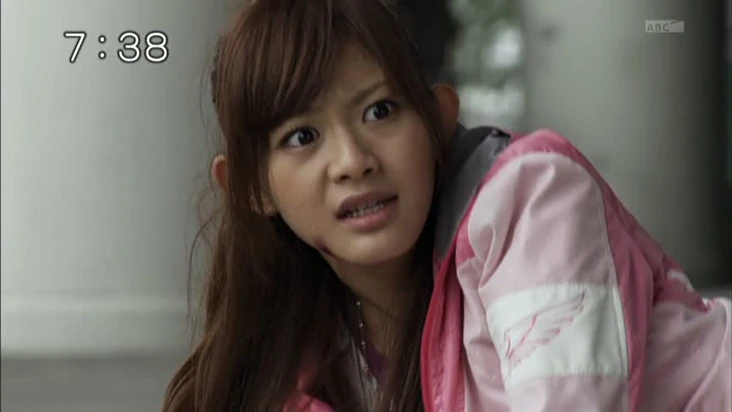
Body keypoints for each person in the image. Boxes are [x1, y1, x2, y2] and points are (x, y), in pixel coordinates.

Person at [162, 0, 732, 411]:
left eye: (380, 111)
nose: (353, 161)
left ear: (437, 119)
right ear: (252, 187)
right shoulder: (304, 348)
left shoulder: (529, 203)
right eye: (302, 137)